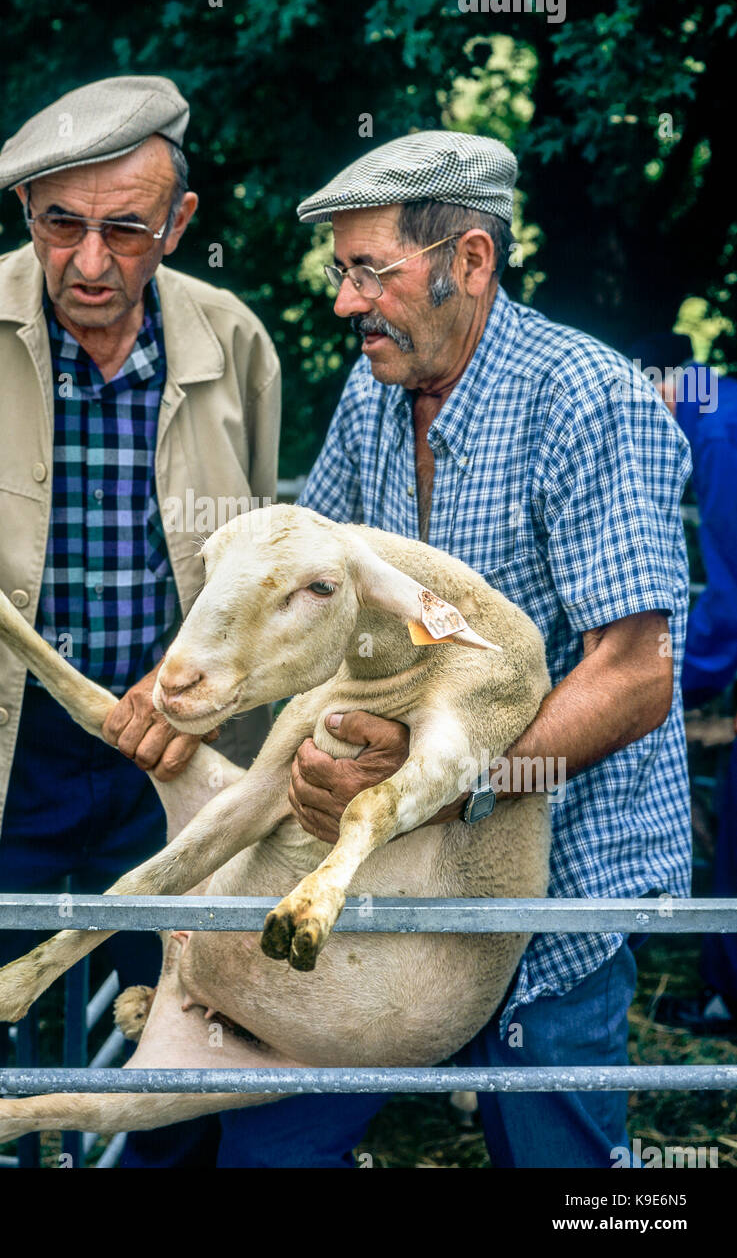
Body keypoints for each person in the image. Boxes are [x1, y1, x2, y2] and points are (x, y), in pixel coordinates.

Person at [0, 75, 279, 1167]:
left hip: (171, 758)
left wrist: (222, 718)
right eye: (59, 223)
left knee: (181, 1039)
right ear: (26, 212)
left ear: (180, 220)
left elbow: (257, 566)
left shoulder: (234, 342)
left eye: (126, 228)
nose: (88, 262)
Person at [278, 130, 692, 1167]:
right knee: (276, 1131)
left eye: (370, 270)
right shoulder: (373, 391)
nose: (344, 303)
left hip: (553, 882)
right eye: (340, 272)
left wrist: (445, 787)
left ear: (471, 260)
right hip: (397, 868)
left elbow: (636, 674)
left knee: (555, 1158)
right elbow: (311, 591)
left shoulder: (583, 394)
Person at [654, 367, 737, 1035]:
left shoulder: (713, 432)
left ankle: (727, 998)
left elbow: (732, 587)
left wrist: (673, 687)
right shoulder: (719, 411)